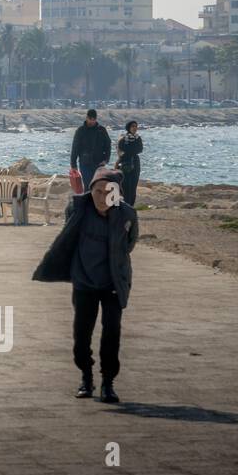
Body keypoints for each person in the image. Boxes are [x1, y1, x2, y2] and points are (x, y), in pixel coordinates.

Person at [32, 167, 138, 404]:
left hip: (113, 282)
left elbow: (129, 245)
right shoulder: (78, 209)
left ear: (117, 193)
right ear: (91, 191)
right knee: (81, 335)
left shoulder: (127, 215)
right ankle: (86, 377)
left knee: (112, 333)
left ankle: (108, 383)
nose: (102, 197)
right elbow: (68, 234)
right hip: (84, 282)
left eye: (108, 192)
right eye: (97, 191)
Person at [70, 109, 112, 193]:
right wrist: (73, 164)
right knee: (88, 186)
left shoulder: (101, 130)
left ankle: (96, 205)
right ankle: (88, 205)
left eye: (94, 119)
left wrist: (106, 160)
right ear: (86, 118)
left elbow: (108, 145)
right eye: (90, 119)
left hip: (99, 163)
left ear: (96, 119)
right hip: (85, 163)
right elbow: (75, 147)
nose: (92, 121)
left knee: (98, 186)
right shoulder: (80, 131)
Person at [116, 121, 142, 206]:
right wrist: (131, 150)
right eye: (132, 126)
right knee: (125, 186)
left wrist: (129, 150)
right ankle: (124, 205)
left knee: (133, 186)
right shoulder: (123, 139)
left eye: (136, 126)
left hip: (135, 163)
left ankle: (131, 206)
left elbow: (140, 149)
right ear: (128, 128)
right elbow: (121, 149)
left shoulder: (138, 138)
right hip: (125, 163)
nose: (135, 128)